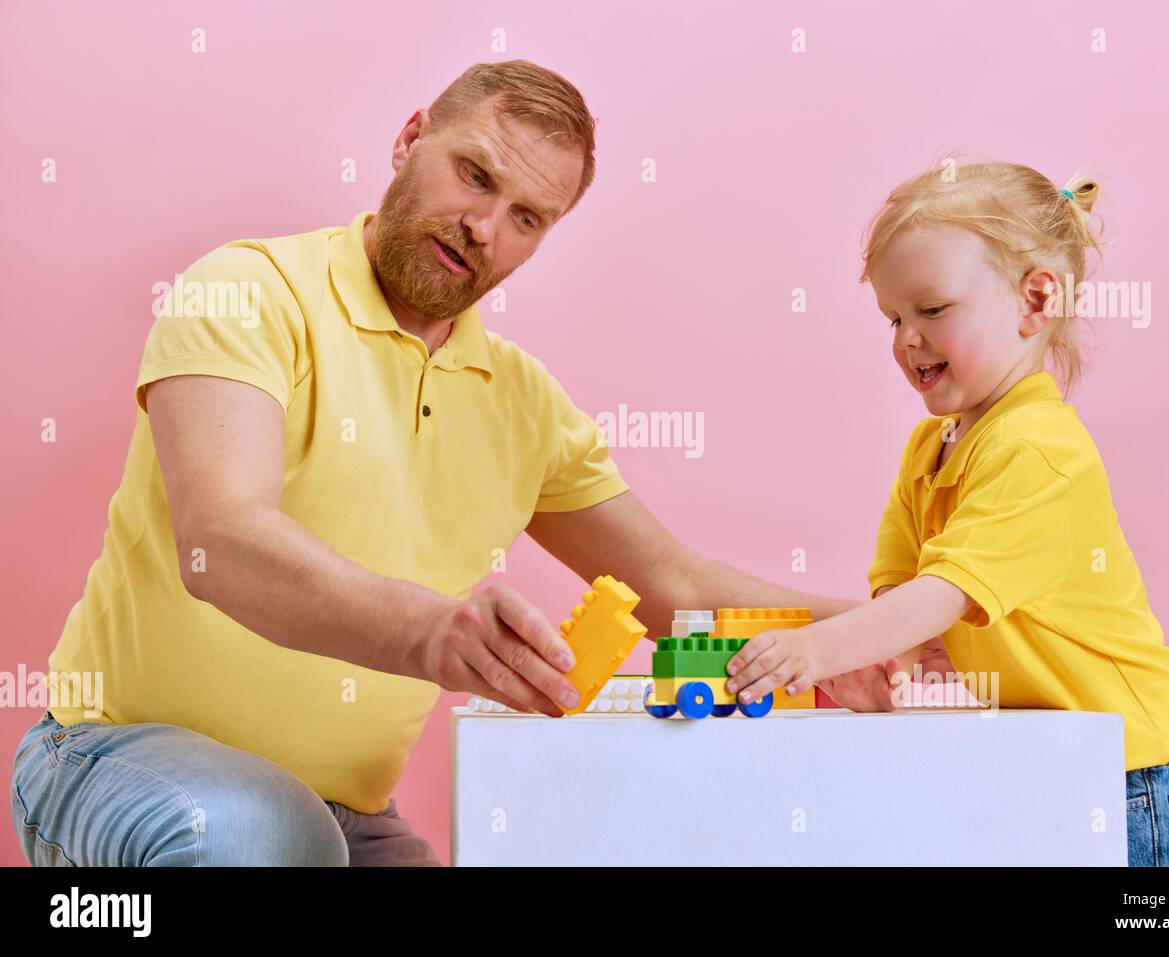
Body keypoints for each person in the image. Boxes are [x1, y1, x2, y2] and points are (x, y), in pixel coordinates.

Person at [11, 60, 875, 867]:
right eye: (475, 175)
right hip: (108, 758)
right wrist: (431, 631)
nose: (484, 228)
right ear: (408, 138)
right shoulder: (247, 292)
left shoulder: (523, 403)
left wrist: (888, 629)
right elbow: (222, 540)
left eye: (527, 218)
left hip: (347, 818)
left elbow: (674, 586)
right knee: (264, 829)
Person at [725, 159, 1169, 867]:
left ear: (1035, 300)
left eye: (931, 310)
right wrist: (895, 658)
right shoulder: (930, 447)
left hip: (1137, 769)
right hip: (1049, 754)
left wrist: (815, 649)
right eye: (893, 317)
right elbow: (906, 596)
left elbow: (944, 593)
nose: (906, 337)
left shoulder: (1041, 449)